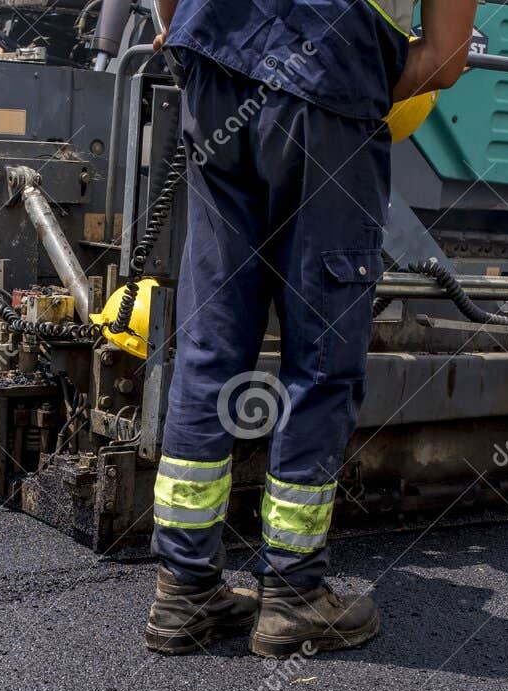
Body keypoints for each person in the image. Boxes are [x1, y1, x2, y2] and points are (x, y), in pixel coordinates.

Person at [142, 0, 478, 657]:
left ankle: (183, 589)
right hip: (329, 91)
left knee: (211, 346)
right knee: (319, 358)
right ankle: (294, 595)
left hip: (216, 71)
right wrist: (351, 84)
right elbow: (443, 56)